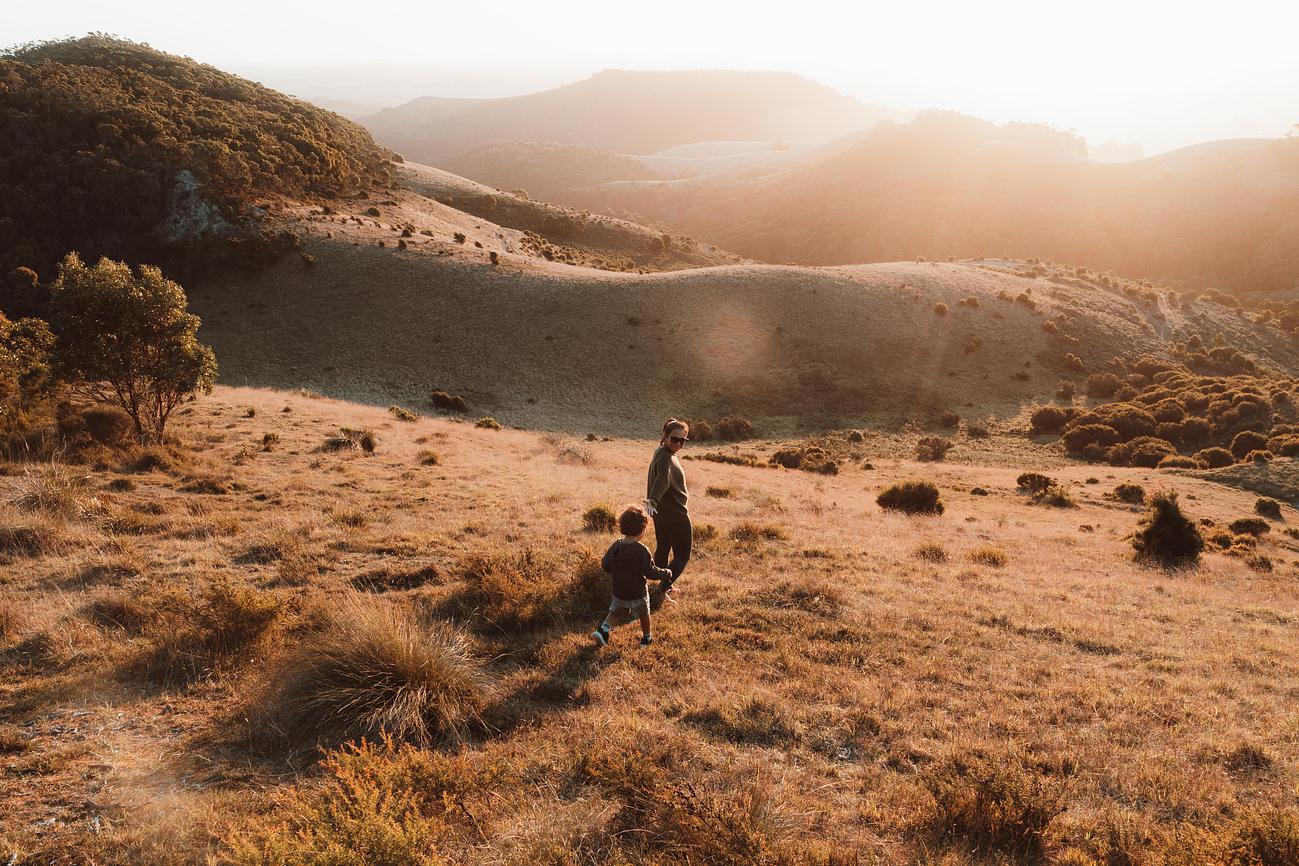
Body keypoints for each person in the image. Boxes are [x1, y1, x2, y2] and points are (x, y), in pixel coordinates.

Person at [591, 505, 673, 647]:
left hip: (619, 590)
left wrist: (616, 571)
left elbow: (605, 564)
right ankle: (646, 638)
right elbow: (650, 572)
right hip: (638, 593)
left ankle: (603, 630)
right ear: (642, 530)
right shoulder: (642, 550)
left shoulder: (616, 546)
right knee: (644, 614)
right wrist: (666, 573)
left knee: (616, 612)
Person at [645, 418, 691, 596]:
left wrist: (653, 503)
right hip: (675, 514)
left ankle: (662, 585)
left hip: (661, 514)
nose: (679, 444)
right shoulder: (665, 456)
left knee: (663, 547)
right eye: (675, 439)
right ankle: (662, 589)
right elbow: (662, 479)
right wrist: (653, 500)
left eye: (683, 441)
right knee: (682, 556)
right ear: (664, 436)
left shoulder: (661, 452)